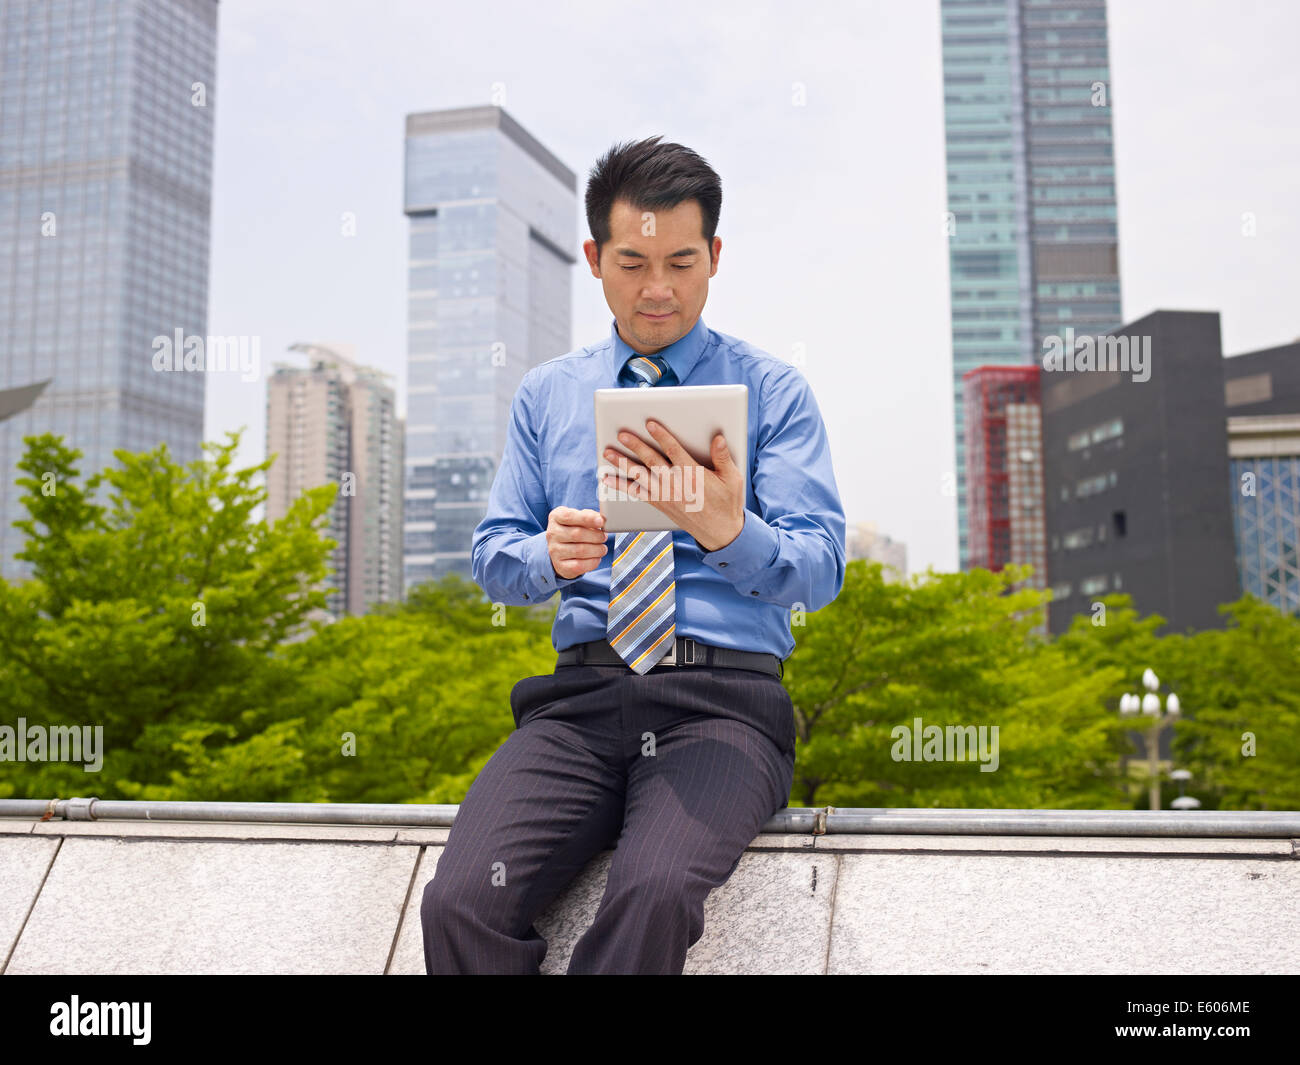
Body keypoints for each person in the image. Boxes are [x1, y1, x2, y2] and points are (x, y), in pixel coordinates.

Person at [421, 135, 846, 974]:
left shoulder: (774, 391)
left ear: (716, 256)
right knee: (458, 899)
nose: (658, 289)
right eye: (633, 262)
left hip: (723, 707)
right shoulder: (548, 393)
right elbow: (494, 555)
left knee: (652, 891)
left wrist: (731, 530)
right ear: (593, 258)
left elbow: (821, 564)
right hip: (577, 704)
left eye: (682, 262)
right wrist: (549, 555)